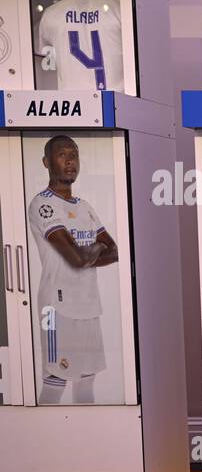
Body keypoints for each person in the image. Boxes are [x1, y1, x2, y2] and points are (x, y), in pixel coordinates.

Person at [26, 135, 118, 404]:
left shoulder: (84, 207)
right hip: (56, 309)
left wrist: (90, 251)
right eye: (62, 154)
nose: (70, 161)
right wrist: (93, 249)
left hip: (89, 306)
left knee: (87, 383)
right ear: (47, 161)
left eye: (74, 155)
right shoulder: (42, 204)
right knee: (55, 382)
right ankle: (45, 440)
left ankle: (86, 441)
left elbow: (114, 251)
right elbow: (75, 258)